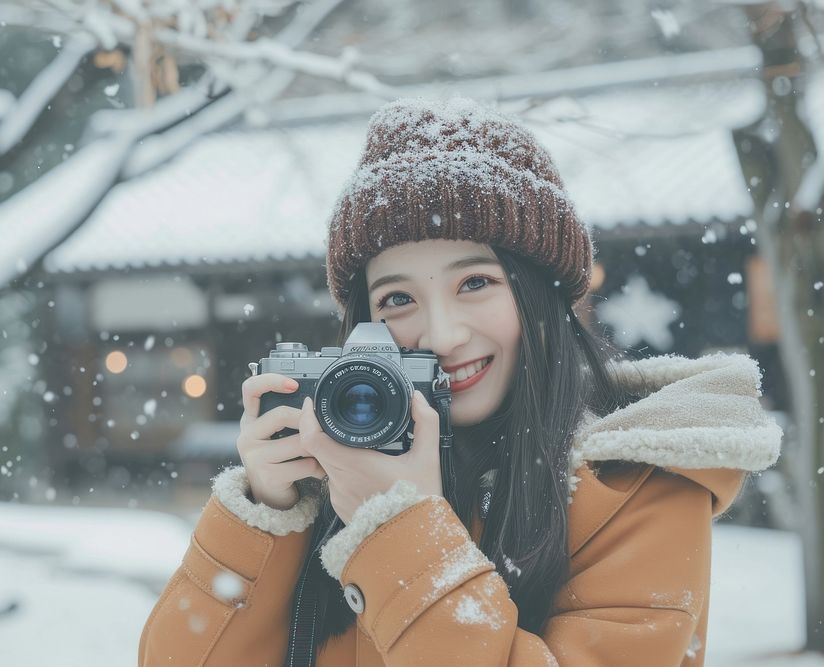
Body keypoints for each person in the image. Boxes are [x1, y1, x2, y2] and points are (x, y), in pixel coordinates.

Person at [138, 97, 783, 666]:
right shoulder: (332, 464)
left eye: (475, 283)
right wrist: (265, 516)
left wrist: (398, 526)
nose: (442, 335)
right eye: (396, 300)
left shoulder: (635, 482)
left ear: (541, 298)